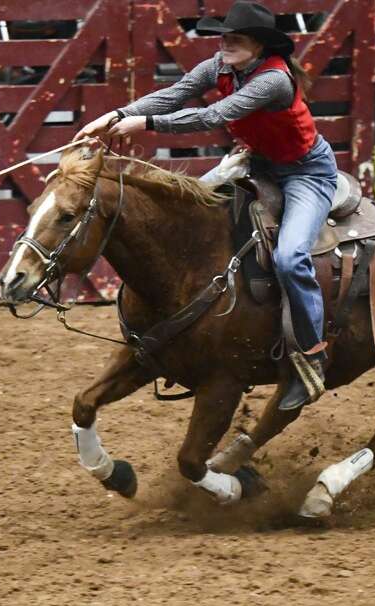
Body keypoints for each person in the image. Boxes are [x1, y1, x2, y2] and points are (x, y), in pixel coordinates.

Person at [75, 0, 336, 410]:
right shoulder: (220, 66)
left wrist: (143, 124)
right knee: (193, 217)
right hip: (256, 162)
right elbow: (175, 95)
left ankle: (312, 355)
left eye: (236, 39)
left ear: (259, 46)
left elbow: (215, 115)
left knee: (289, 258)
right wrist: (115, 115)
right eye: (224, 37)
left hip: (306, 174)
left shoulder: (274, 81)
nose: (225, 44)